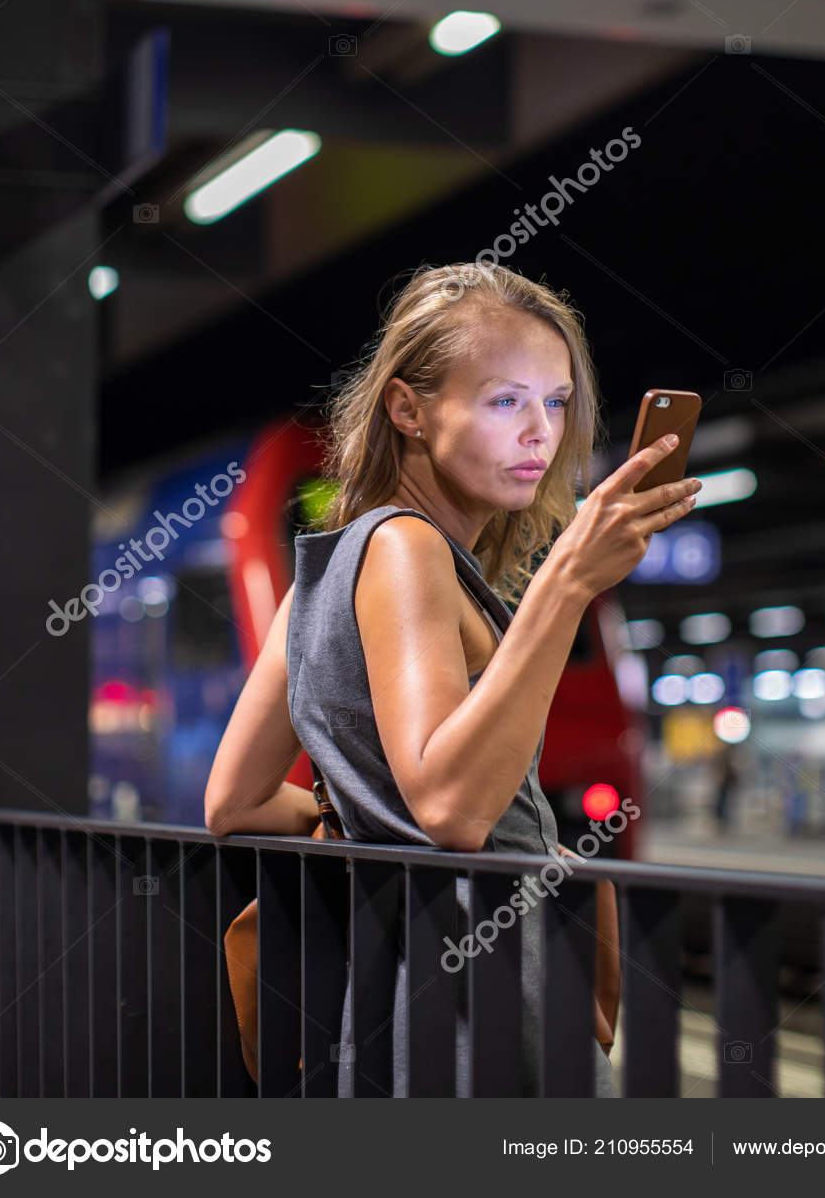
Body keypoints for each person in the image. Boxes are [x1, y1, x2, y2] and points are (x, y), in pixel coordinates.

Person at [205, 260, 701, 1097]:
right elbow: (451, 810)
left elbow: (236, 803)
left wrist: (366, 821)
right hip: (484, 988)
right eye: (505, 400)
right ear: (407, 408)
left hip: (391, 992)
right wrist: (568, 582)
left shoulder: (322, 574)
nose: (540, 432)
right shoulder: (408, 550)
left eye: (556, 401)